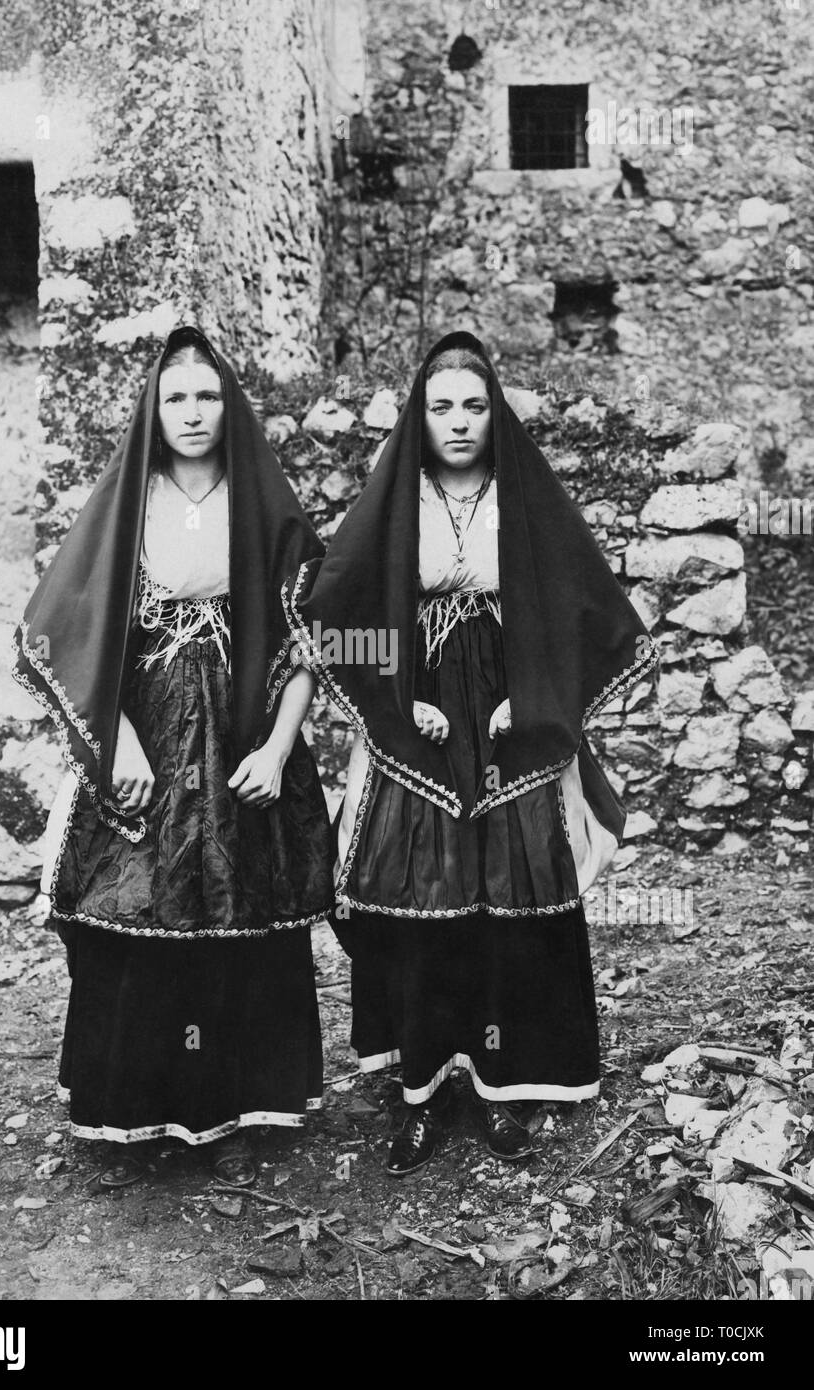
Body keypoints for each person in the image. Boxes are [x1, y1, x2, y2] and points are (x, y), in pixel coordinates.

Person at [284, 331, 658, 1176]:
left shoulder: (522, 499)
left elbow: (579, 607)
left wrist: (530, 699)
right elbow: (336, 607)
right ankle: (421, 1089)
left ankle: (498, 1081)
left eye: (475, 407)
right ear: (419, 415)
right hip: (418, 721)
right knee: (421, 901)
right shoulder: (394, 504)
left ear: (496, 416)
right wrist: (396, 691)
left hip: (505, 716)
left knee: (505, 901)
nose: (458, 422)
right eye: (441, 406)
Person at [12, 326, 333, 1189]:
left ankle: (230, 1104)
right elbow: (68, 625)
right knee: (138, 904)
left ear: (230, 407)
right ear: (154, 411)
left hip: (241, 726)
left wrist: (274, 747)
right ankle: (133, 1111)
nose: (193, 413)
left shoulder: (264, 504)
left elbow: (309, 640)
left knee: (238, 896)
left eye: (208, 396)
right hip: (145, 725)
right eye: (176, 398)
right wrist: (114, 738)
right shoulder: (129, 502)